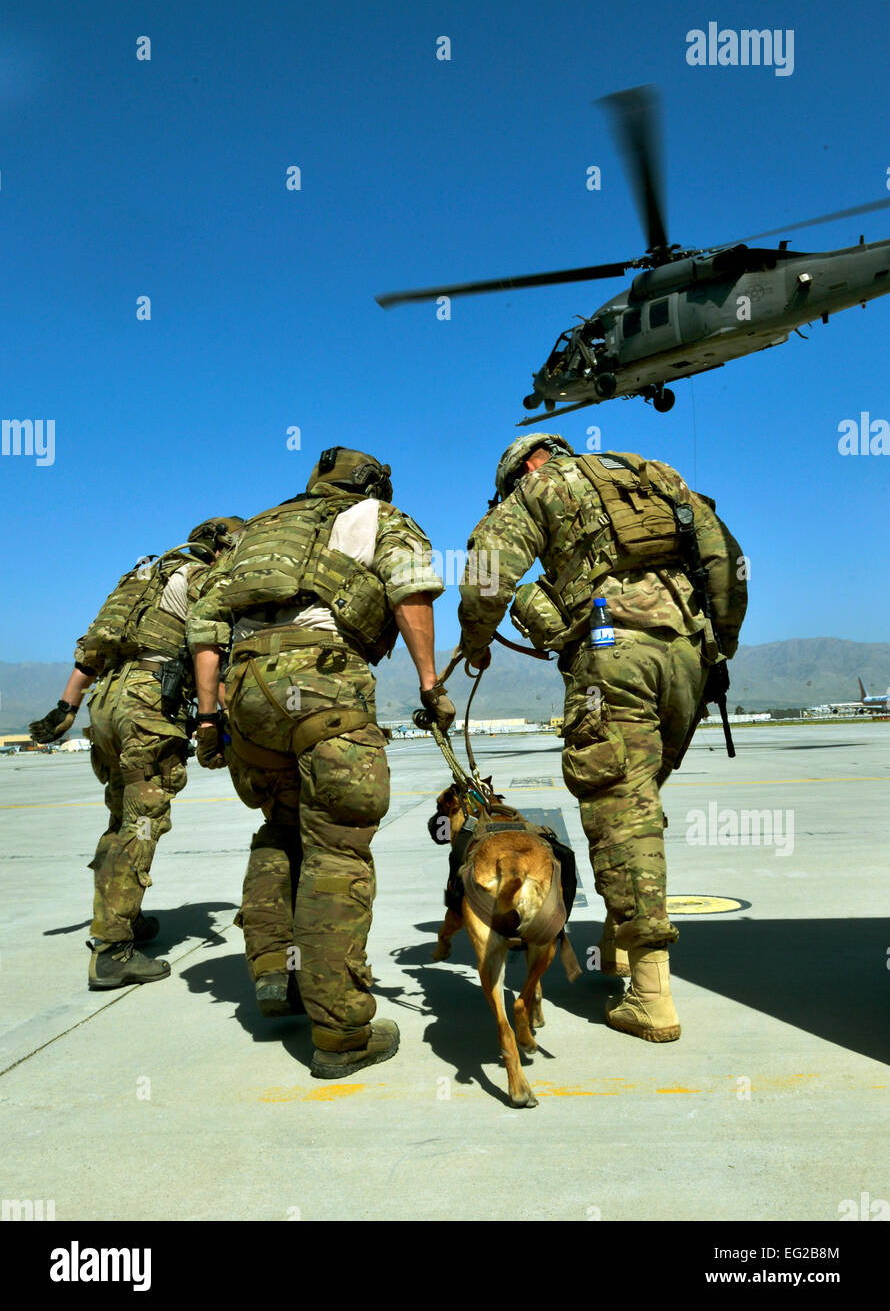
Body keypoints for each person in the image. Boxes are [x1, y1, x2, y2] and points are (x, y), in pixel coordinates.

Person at [457, 433, 747, 1042]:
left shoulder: (538, 486)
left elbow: (488, 570)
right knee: (640, 800)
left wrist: (477, 635)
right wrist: (719, 644)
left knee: (621, 811)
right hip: (687, 651)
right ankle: (617, 943)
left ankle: (650, 993)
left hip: (614, 653)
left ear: (526, 467)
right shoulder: (653, 474)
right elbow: (724, 560)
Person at [187, 447, 453, 1078]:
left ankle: (275, 977)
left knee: (281, 831)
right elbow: (411, 591)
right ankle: (339, 1031)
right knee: (337, 849)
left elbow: (204, 625)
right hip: (322, 680)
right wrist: (428, 683)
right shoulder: (373, 517)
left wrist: (207, 716)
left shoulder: (256, 531)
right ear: (372, 485)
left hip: (245, 690)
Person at [30, 518, 243, 990]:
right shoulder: (204, 577)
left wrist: (68, 706)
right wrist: (211, 719)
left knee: (119, 819)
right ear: (223, 546)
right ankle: (112, 951)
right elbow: (209, 649)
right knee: (141, 824)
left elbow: (93, 648)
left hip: (107, 702)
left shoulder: (141, 576)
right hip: (148, 704)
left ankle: (122, 915)